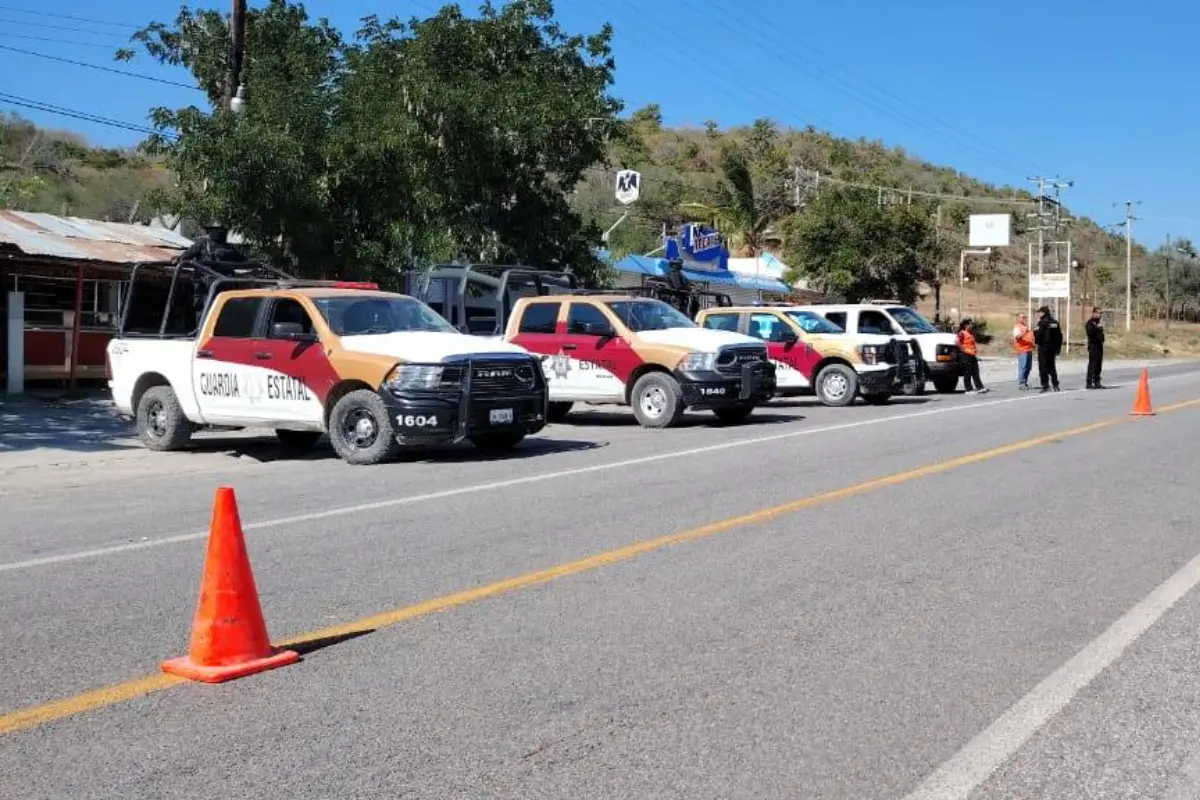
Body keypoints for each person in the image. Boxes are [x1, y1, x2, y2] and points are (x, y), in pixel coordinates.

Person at [1034, 305, 1063, 392]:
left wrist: (1036, 338)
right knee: (1052, 367)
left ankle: (1045, 385)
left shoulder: (1042, 322)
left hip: (1043, 347)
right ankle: (1055, 385)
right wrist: (1058, 349)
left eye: (1040, 312)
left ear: (1043, 313)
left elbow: (1037, 334)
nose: (1039, 314)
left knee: (1043, 367)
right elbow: (1059, 336)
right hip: (1053, 348)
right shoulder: (1055, 323)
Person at [957, 318, 988, 394]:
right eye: (970, 324)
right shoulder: (962, 333)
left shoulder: (971, 333)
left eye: (972, 324)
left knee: (975, 371)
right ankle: (968, 389)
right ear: (965, 325)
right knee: (967, 372)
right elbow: (957, 341)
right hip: (965, 354)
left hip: (972, 354)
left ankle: (979, 387)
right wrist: (962, 349)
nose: (971, 325)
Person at [1012, 312, 1035, 389]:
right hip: (1022, 350)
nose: (1024, 319)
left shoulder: (1026, 326)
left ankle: (1025, 382)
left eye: (1025, 317)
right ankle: (1021, 383)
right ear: (1018, 318)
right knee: (1023, 366)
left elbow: (1031, 337)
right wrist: (1024, 332)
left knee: (1028, 367)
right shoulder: (1017, 327)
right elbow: (1018, 337)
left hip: (1029, 349)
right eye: (1022, 317)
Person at [1085, 306, 1106, 389]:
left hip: (1099, 346)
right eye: (1098, 313)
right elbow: (1091, 334)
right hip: (1093, 346)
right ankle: (1089, 383)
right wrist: (1098, 329)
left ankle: (1097, 382)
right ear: (1094, 313)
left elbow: (1101, 335)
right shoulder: (1090, 323)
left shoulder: (1098, 323)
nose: (1100, 315)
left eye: (1101, 313)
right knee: (1092, 365)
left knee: (1098, 365)